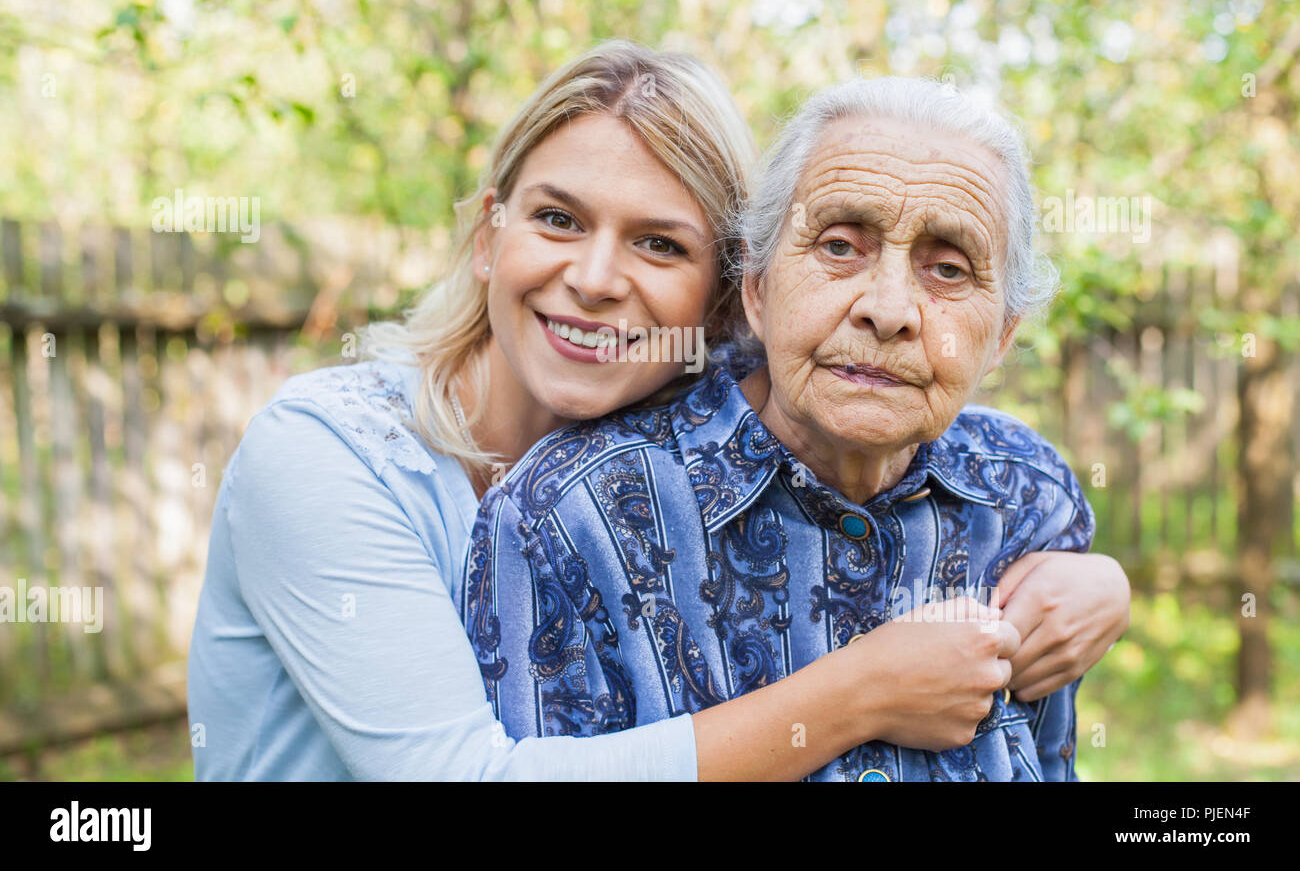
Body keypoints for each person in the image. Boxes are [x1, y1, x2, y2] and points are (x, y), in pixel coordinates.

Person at [188, 44, 1129, 780]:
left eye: (658, 244)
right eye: (558, 218)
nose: (595, 281)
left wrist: (1097, 578)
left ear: (726, 292)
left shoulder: (726, 451)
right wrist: (861, 692)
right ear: (488, 236)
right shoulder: (330, 453)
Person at [461, 75, 1131, 780]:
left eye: (948, 268)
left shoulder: (1026, 494)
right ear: (756, 287)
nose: (889, 308)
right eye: (841, 246)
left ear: (1001, 336)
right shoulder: (569, 516)